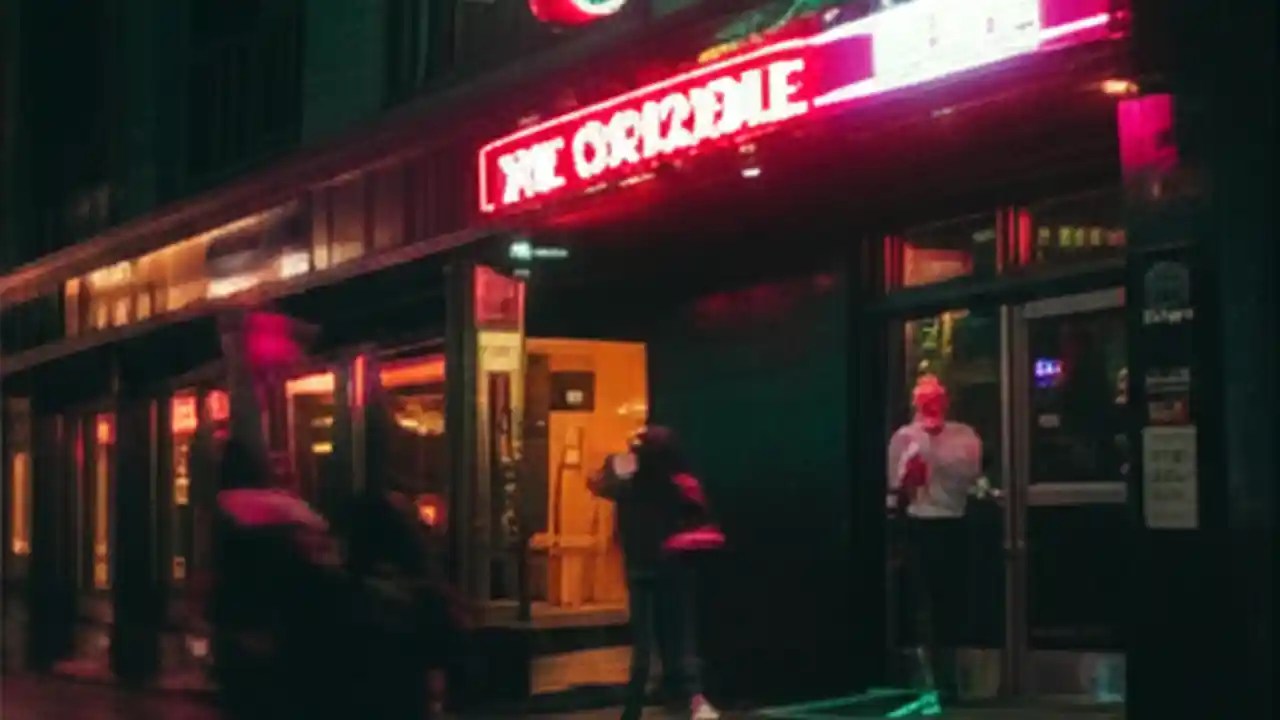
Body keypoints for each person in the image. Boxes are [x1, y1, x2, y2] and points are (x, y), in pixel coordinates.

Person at [589, 425, 723, 720]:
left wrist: (618, 463)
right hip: (674, 566)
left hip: (642, 569)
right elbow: (702, 517)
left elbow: (596, 484)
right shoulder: (678, 481)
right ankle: (694, 701)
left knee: (644, 645)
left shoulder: (629, 482)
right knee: (680, 637)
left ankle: (634, 708)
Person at [887, 374, 983, 700]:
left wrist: (933, 455)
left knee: (951, 602)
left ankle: (950, 679)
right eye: (924, 401)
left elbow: (969, 476)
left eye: (935, 400)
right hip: (920, 524)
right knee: (923, 602)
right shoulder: (905, 437)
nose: (930, 406)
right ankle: (927, 678)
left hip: (952, 523)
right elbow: (896, 487)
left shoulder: (964, 437)